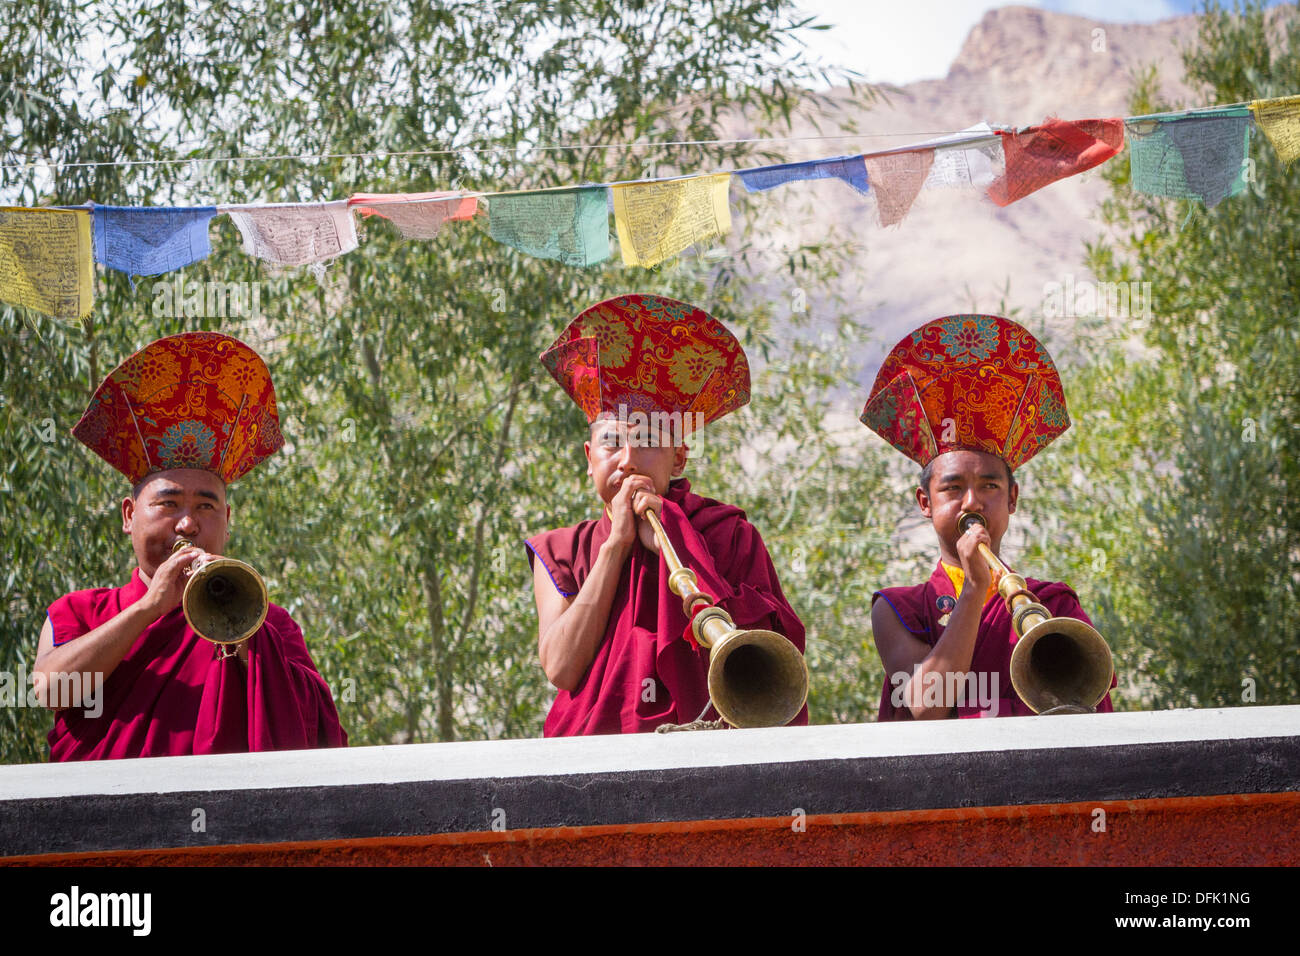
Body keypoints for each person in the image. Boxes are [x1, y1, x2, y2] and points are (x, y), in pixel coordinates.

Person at [33, 331, 347, 759]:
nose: (186, 524)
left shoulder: (268, 622)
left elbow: (320, 734)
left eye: (205, 505)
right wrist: (148, 609)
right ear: (129, 515)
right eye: (168, 503)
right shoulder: (81, 611)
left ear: (227, 521)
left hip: (232, 821)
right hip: (107, 822)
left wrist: (246, 644)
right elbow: (51, 690)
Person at [526, 294, 807, 736]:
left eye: (650, 440)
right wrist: (616, 545)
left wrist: (678, 544)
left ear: (678, 459)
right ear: (588, 457)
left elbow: (770, 678)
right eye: (611, 441)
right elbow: (561, 667)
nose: (629, 459)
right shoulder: (562, 550)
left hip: (706, 755)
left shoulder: (727, 534)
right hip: (589, 766)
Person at [860, 313, 1116, 720]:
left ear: (1012, 498)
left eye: (990, 486)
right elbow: (926, 706)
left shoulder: (1053, 605)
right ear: (925, 502)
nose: (972, 502)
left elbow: (1086, 709)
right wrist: (976, 587)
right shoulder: (899, 608)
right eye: (953, 488)